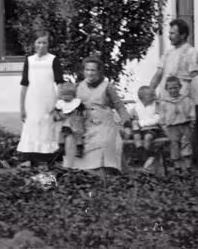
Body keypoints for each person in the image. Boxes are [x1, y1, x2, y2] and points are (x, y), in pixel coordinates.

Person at [62, 56, 131, 174]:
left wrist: (127, 122)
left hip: (104, 122)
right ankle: (74, 171)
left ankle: (105, 170)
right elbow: (69, 103)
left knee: (104, 141)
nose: (89, 73)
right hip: (84, 122)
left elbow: (119, 105)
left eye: (93, 70)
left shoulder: (107, 86)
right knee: (72, 137)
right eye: (87, 70)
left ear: (99, 71)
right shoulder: (78, 86)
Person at [17, 34, 64, 166]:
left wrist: (58, 104)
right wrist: (22, 107)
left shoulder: (53, 60)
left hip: (48, 99)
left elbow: (59, 83)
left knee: (46, 128)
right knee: (31, 127)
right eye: (39, 42)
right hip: (31, 100)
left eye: (44, 43)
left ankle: (47, 159)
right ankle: (29, 159)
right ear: (34, 44)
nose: (41, 46)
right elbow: (25, 84)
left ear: (48, 45)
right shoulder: (29, 60)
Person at [149, 19, 198, 97]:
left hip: (182, 100)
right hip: (165, 99)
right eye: (169, 33)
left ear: (183, 35)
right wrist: (151, 90)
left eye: (172, 33)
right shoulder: (168, 53)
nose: (169, 36)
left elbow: (196, 78)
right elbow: (158, 74)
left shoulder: (191, 52)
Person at [156, 74, 195, 173]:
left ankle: (188, 167)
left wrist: (192, 123)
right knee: (174, 146)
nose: (173, 90)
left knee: (186, 144)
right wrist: (165, 128)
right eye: (170, 88)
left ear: (180, 87)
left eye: (175, 87)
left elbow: (192, 113)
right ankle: (178, 168)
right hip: (172, 127)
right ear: (166, 89)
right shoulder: (164, 103)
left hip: (185, 125)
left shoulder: (186, 100)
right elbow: (162, 117)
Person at [130, 85, 163, 170]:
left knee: (147, 138)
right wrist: (133, 119)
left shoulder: (156, 106)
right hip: (140, 130)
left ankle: (149, 155)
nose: (154, 96)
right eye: (152, 95)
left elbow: (157, 119)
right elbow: (132, 116)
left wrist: (141, 123)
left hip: (153, 129)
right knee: (136, 135)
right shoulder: (137, 107)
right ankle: (140, 151)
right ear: (143, 98)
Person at [52, 80, 86, 159]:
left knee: (78, 136)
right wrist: (56, 116)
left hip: (76, 123)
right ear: (61, 95)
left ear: (73, 95)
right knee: (62, 134)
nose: (66, 97)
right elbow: (56, 110)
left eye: (68, 95)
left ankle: (79, 149)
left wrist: (83, 113)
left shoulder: (76, 102)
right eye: (64, 95)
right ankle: (61, 147)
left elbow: (82, 109)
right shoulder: (61, 103)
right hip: (66, 124)